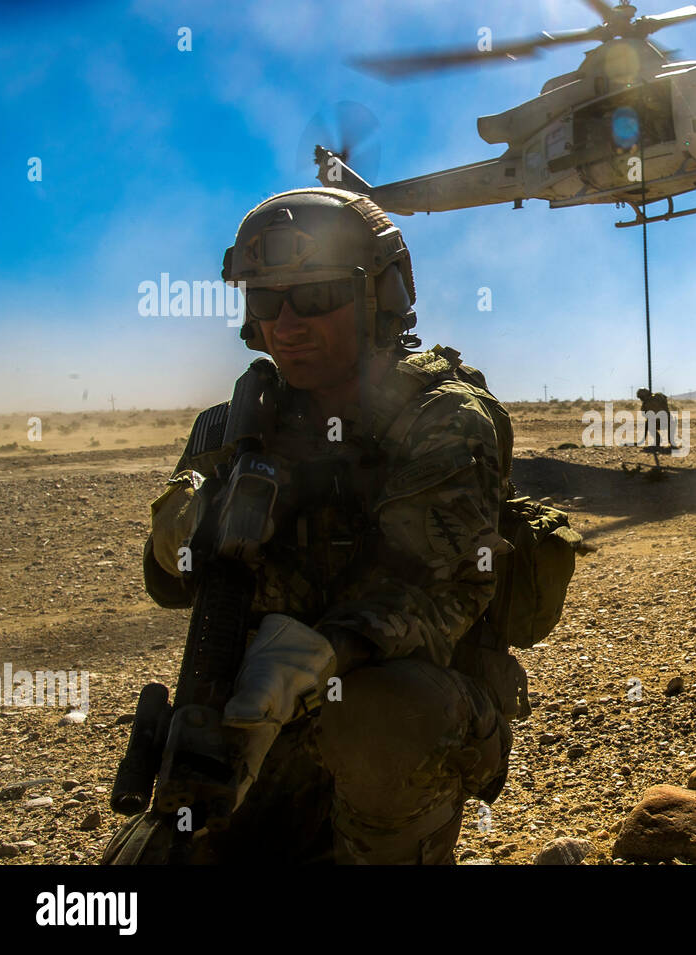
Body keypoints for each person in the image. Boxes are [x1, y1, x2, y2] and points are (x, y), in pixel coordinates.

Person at [103, 187, 527, 864]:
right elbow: (174, 585)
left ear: (380, 296)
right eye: (268, 301)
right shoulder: (237, 425)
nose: (288, 323)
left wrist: (319, 652)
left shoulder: (443, 419)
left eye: (317, 295)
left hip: (395, 722)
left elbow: (443, 592)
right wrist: (174, 536)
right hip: (258, 726)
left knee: (382, 718)